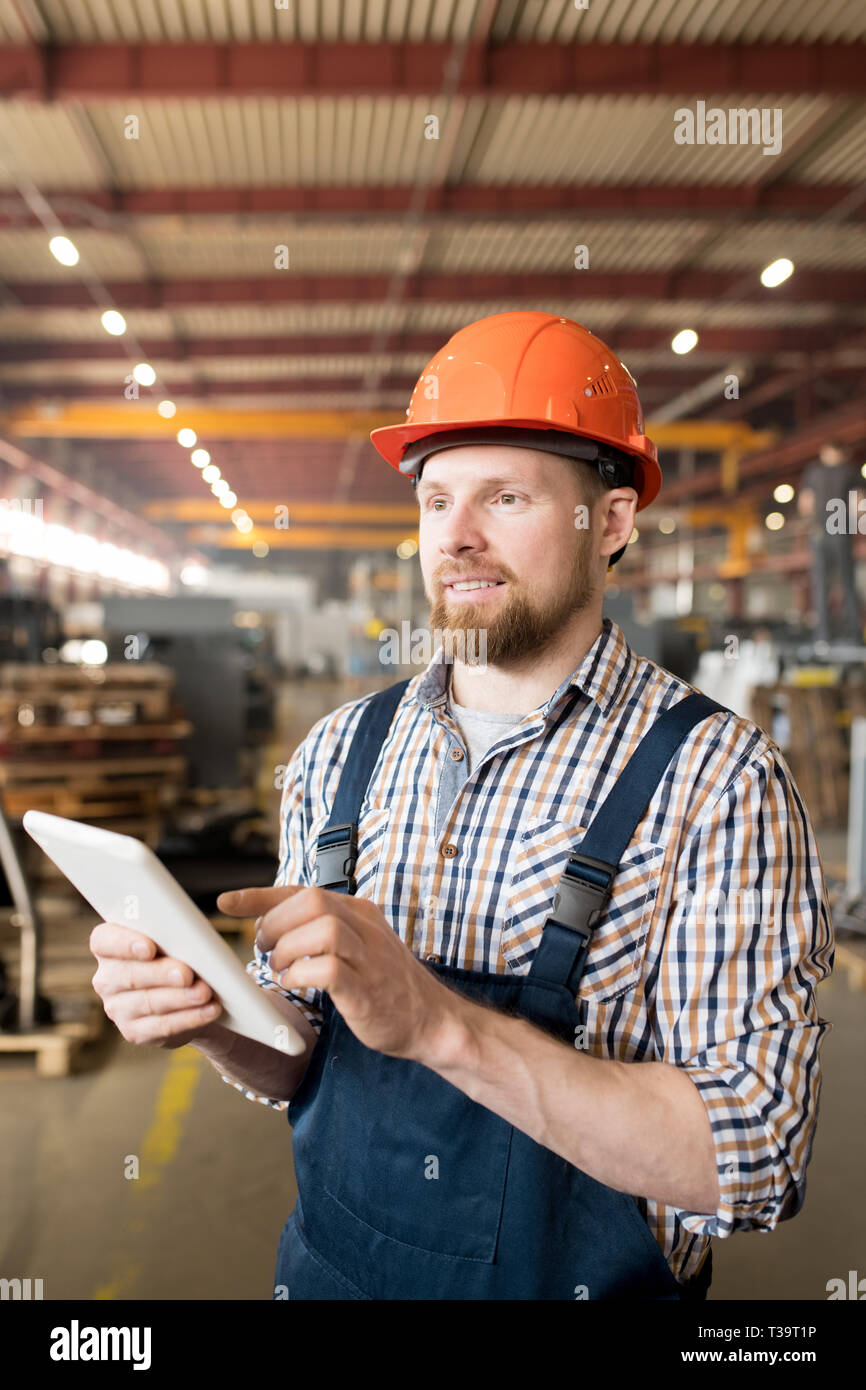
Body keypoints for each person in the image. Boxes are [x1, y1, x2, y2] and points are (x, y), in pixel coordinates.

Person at [89, 311, 833, 1301]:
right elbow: (301, 1060)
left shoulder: (715, 782)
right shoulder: (338, 753)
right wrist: (214, 1015)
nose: (458, 535)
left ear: (608, 522)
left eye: (505, 495)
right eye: (436, 499)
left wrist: (440, 1024)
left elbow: (752, 1159)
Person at [798, 439, 864, 644]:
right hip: (826, 533)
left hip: (838, 533)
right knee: (824, 584)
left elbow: (859, 501)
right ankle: (825, 635)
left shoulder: (848, 472)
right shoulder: (816, 472)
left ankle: (848, 634)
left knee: (844, 583)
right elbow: (806, 501)